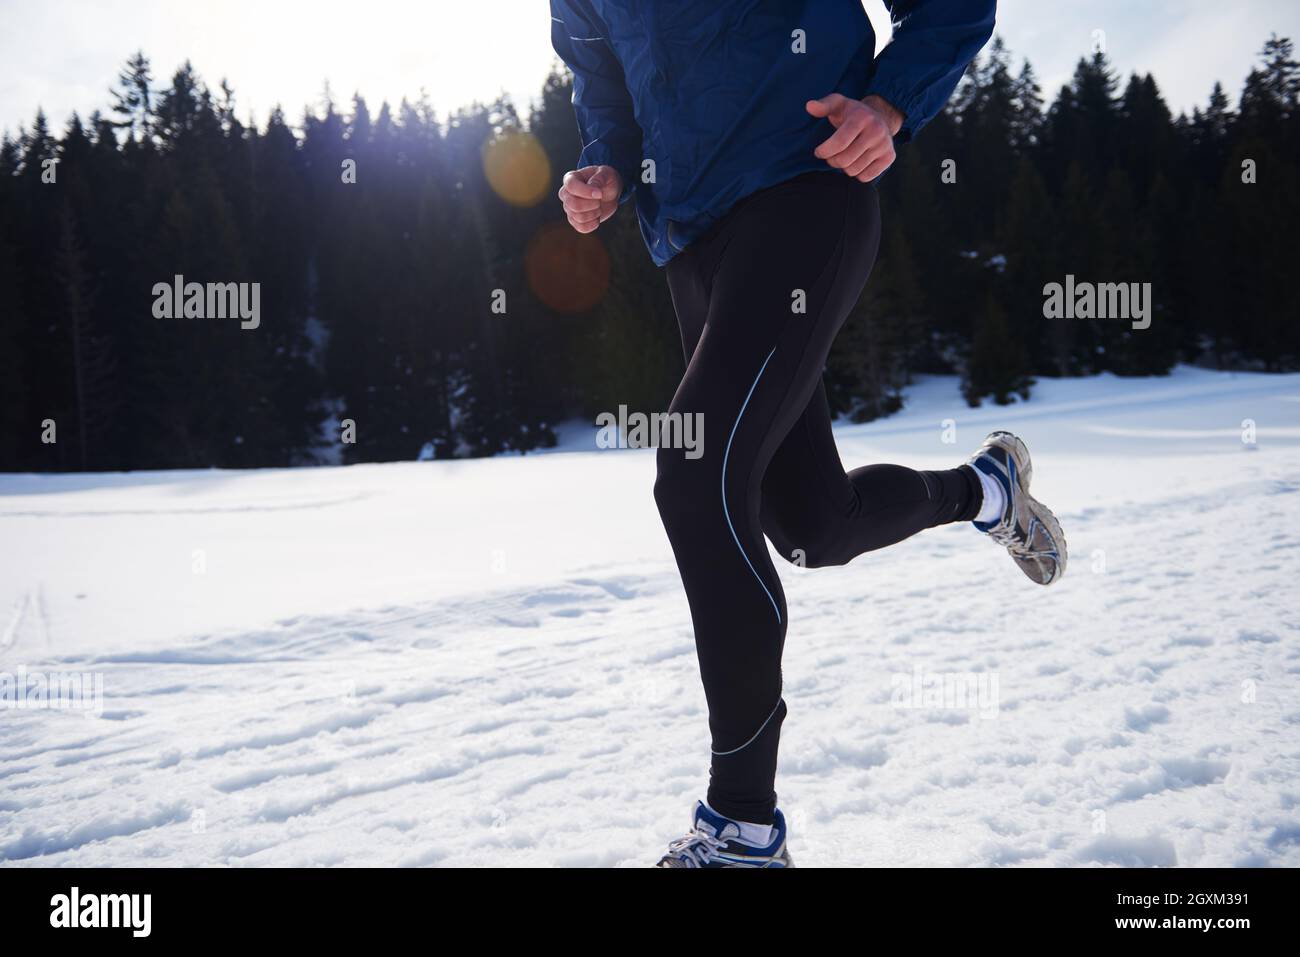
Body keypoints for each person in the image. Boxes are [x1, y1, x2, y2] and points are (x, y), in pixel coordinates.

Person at [551, 0, 1064, 868]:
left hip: (803, 188)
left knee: (693, 469)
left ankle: (743, 827)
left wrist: (893, 103)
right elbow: (602, 79)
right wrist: (602, 165)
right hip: (691, 242)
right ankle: (988, 489)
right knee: (813, 525)